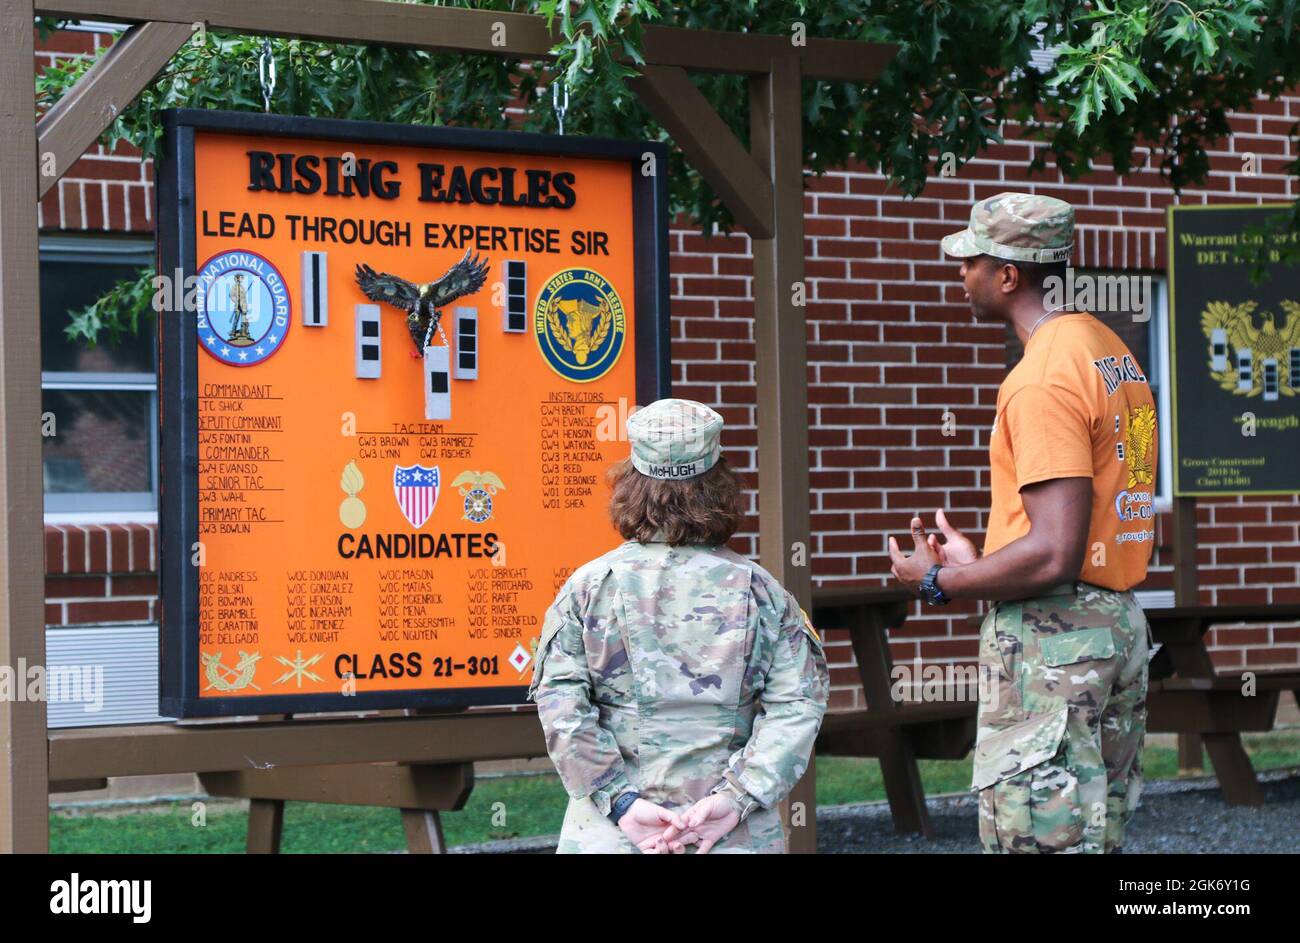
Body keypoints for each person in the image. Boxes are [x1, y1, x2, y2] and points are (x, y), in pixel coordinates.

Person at [887, 192, 1157, 854]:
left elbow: (1054, 552)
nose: (962, 274)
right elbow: (1073, 526)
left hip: (1055, 640)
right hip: (1115, 624)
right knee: (1094, 835)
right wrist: (988, 558)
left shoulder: (1040, 379)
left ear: (1008, 275)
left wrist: (939, 581)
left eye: (971, 261)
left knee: (1037, 839)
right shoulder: (1107, 348)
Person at [528, 398, 829, 854]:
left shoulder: (588, 588)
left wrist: (620, 802)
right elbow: (798, 705)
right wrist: (736, 798)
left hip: (610, 835)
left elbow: (562, 706)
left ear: (630, 484)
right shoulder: (763, 593)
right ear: (720, 485)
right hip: (731, 836)